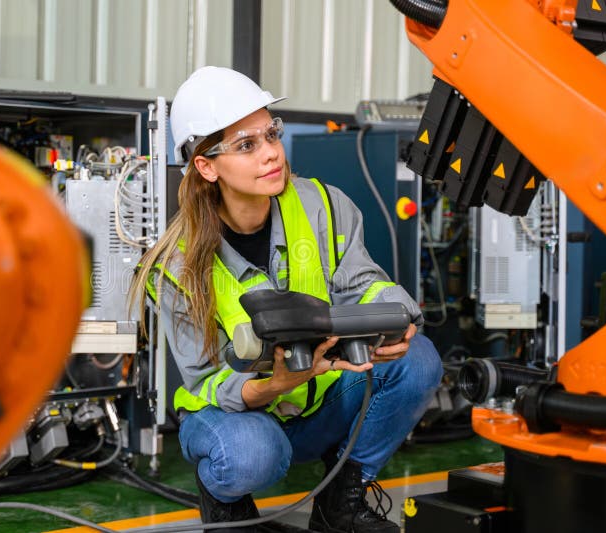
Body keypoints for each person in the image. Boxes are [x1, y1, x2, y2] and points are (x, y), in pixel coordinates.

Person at [130, 66, 442, 533]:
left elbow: (365, 282)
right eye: (247, 145)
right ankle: (227, 506)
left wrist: (396, 315)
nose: (272, 153)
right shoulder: (175, 267)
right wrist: (272, 384)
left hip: (318, 402)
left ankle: (340, 505)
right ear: (206, 166)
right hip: (243, 422)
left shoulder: (324, 205)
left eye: (270, 133)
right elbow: (204, 384)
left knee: (418, 361)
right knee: (250, 456)